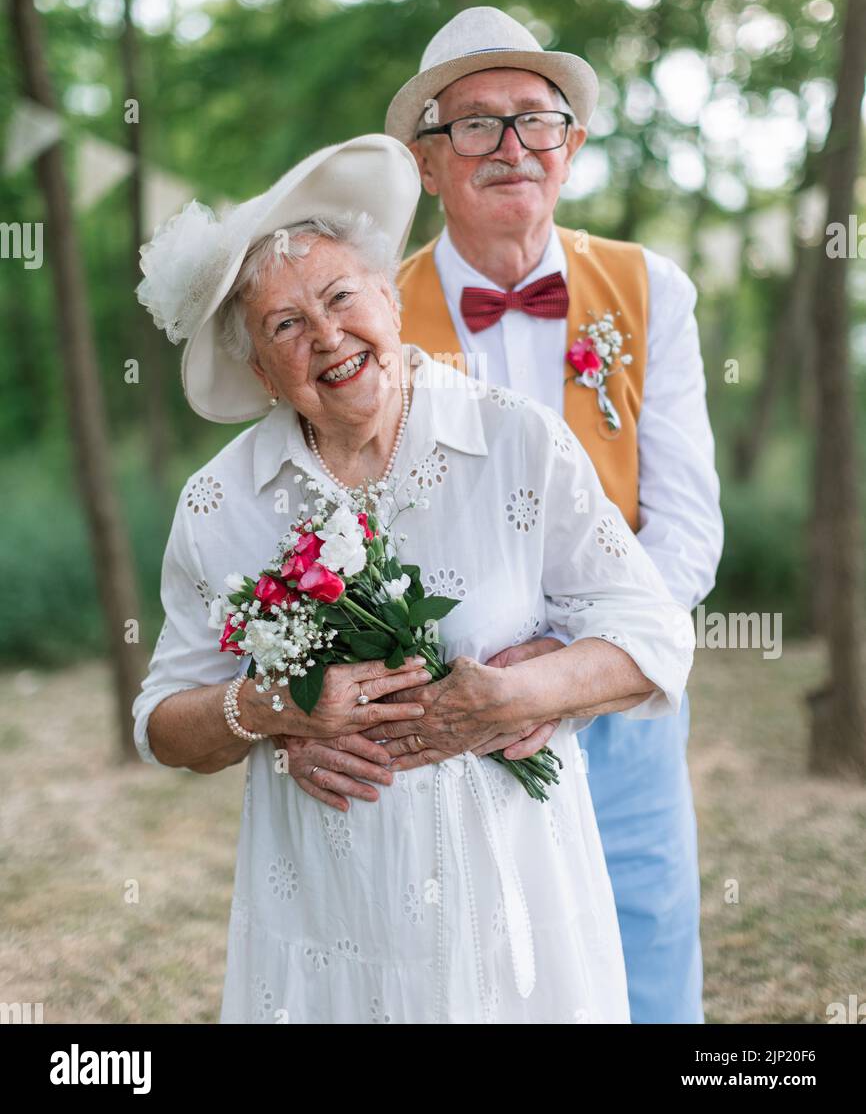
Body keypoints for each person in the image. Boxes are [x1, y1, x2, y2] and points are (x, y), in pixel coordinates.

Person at [132, 132, 696, 1024]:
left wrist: (523, 694)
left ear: (391, 301)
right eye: (286, 326)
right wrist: (275, 708)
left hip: (515, 916)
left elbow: (658, 637)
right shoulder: (220, 502)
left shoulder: (519, 441)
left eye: (340, 296)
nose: (326, 336)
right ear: (263, 373)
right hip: (328, 920)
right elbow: (164, 725)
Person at [378, 6, 723, 1024]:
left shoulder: (648, 287)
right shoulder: (373, 314)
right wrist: (476, 685)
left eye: (534, 118)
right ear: (425, 162)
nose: (510, 146)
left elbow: (686, 520)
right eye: (473, 124)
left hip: (618, 694)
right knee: (468, 973)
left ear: (568, 145)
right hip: (448, 702)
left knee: (646, 951)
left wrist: (572, 667)